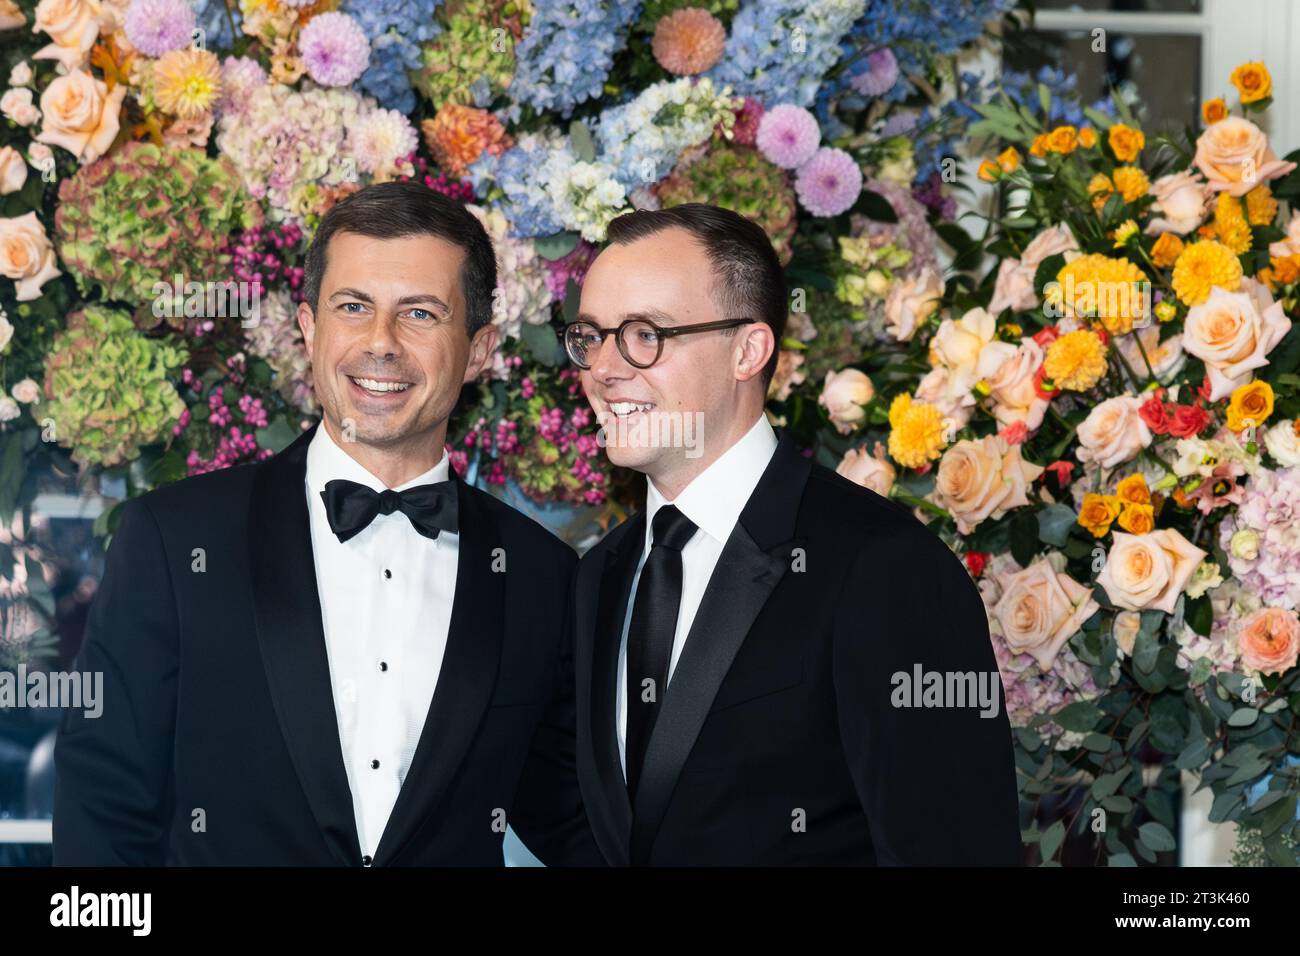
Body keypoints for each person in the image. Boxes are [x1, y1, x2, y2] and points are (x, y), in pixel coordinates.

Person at [53, 181, 599, 866]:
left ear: (481, 348)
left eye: (421, 314)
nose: (381, 343)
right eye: (352, 307)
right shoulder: (175, 539)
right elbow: (103, 805)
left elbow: (574, 819)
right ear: (309, 329)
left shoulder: (542, 576)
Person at [565, 203, 1021, 866]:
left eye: (643, 335)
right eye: (590, 336)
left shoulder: (882, 568)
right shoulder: (602, 574)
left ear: (748, 349)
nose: (603, 368)